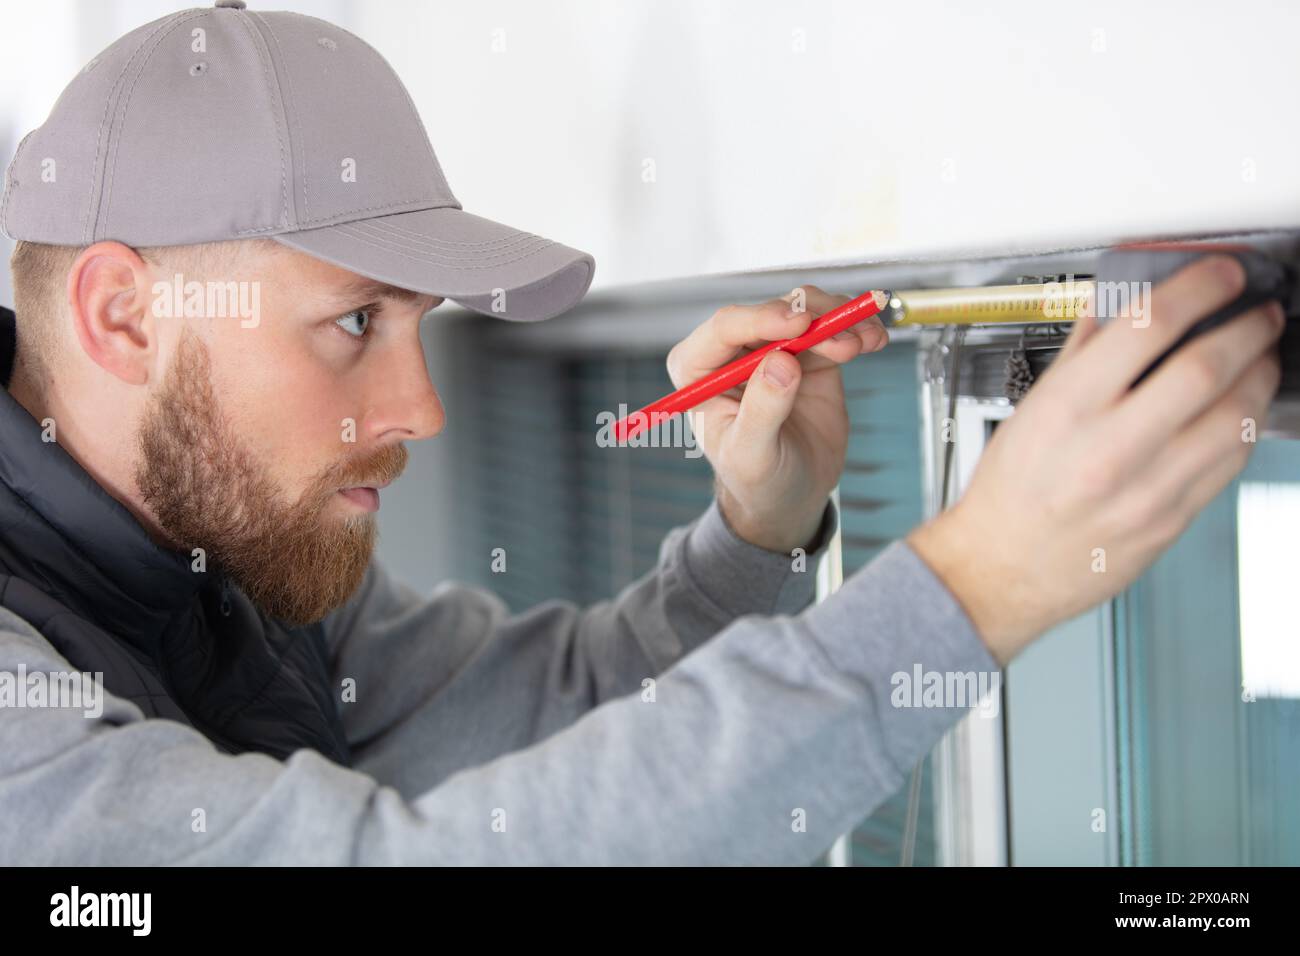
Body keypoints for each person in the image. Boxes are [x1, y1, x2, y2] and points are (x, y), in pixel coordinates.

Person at [0, 3, 1283, 864]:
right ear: (126, 317)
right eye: (352, 324)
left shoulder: (237, 553)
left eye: (420, 327)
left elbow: (557, 728)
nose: (423, 408)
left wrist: (755, 533)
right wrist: (981, 583)